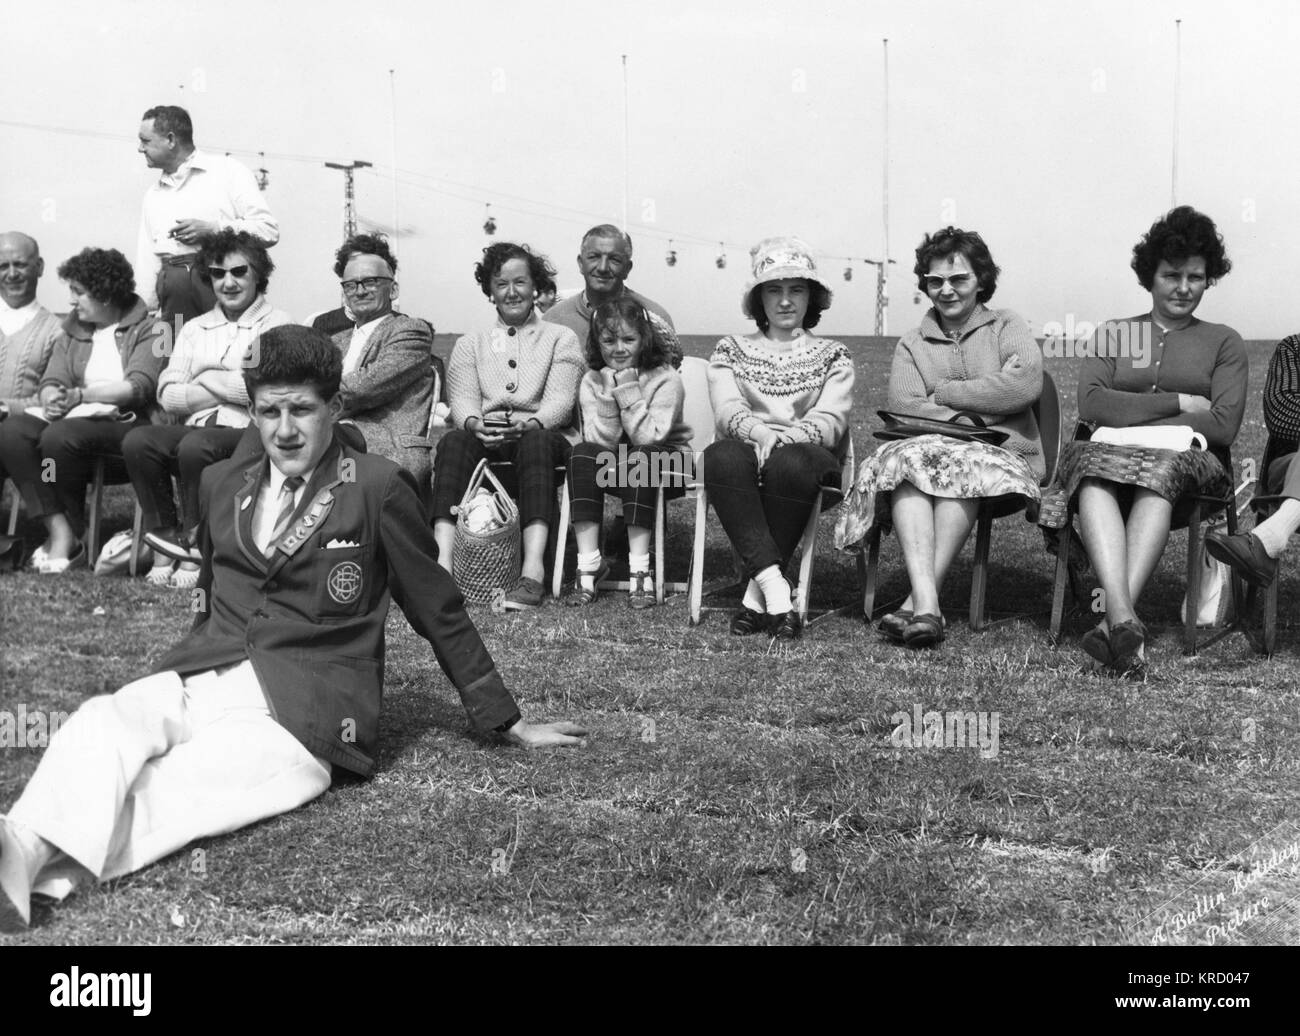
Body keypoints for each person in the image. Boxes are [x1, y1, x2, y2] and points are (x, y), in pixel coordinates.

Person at [0, 324, 587, 932]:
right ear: (251, 412)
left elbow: (437, 608)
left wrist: (506, 718)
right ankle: (18, 850)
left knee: (182, 784)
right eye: (268, 411)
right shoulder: (223, 484)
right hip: (208, 672)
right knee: (106, 719)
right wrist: (177, 678)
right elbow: (212, 596)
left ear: (334, 407)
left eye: (302, 410)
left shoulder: (379, 487)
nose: (284, 430)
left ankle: (29, 860)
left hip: (303, 714)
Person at [1040, 205, 1246, 671]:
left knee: (1157, 474)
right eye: (1172, 275)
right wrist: (1180, 403)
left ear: (1208, 278)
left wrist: (1132, 420)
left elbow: (1223, 425)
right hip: (1107, 461)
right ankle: (1123, 621)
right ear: (1149, 276)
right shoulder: (1115, 333)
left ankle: (1113, 618)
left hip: (1191, 469)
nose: (1184, 287)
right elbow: (1092, 404)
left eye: (1196, 276)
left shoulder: (1224, 342)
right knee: (1092, 475)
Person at [835, 227, 1044, 648]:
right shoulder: (912, 343)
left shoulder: (1008, 325)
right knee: (908, 466)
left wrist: (945, 396)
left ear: (981, 280)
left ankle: (917, 601)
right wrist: (982, 405)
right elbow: (905, 404)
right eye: (935, 281)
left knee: (960, 464)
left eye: (959, 279)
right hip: (929, 452)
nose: (946, 290)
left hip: (1001, 454)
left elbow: (1023, 385)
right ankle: (928, 606)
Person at [702, 236, 854, 641]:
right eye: (774, 290)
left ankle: (755, 596)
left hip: (809, 460)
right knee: (721, 455)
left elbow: (832, 416)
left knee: (791, 462)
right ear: (758, 299)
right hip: (747, 455)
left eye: (797, 290)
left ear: (812, 298)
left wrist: (789, 438)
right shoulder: (730, 350)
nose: (785, 301)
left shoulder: (833, 354)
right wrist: (759, 431)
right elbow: (726, 406)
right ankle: (774, 592)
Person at [125, 230, 291, 588]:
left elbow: (261, 393)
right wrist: (226, 382)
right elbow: (168, 393)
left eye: (238, 271)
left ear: (258, 274)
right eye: (218, 274)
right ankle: (165, 540)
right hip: (197, 426)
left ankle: (195, 547)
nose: (228, 282)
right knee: (139, 440)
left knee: (194, 446)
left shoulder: (279, 324)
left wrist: (204, 376)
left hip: (248, 433)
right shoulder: (194, 329)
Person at [433, 242, 584, 609]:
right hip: (487, 433)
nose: (512, 292)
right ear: (490, 292)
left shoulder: (560, 338)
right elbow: (464, 397)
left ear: (536, 288)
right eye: (501, 284)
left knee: (537, 444)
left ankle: (532, 573)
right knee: (453, 443)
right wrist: (472, 423)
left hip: (542, 435)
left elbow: (561, 402)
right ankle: (442, 569)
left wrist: (533, 423)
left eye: (521, 282)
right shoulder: (471, 343)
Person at [0, 248, 166, 573]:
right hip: (71, 419)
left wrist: (80, 395)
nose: (73, 302)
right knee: (10, 432)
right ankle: (59, 529)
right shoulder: (73, 330)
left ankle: (72, 534)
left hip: (126, 425)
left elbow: (138, 387)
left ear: (105, 293)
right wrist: (51, 396)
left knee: (58, 436)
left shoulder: (152, 329)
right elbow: (53, 378)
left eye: (79, 293)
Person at [564, 298, 692, 608]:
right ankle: (589, 564)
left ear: (644, 340)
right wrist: (609, 395)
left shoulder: (666, 378)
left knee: (641, 456)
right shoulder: (593, 380)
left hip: (668, 463)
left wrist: (628, 390)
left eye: (628, 339)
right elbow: (598, 441)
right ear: (597, 342)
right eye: (609, 340)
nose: (618, 348)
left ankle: (640, 570)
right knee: (581, 452)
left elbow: (649, 436)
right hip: (615, 462)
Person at [135, 105, 278, 327]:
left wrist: (213, 230)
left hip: (223, 286)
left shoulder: (228, 171)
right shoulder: (153, 195)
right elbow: (147, 260)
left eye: (145, 141)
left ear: (171, 140)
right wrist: (145, 313)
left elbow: (268, 230)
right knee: (172, 356)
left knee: (230, 354)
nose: (139, 149)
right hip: (173, 302)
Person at [326, 234, 435, 493]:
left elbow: (364, 387)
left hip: (385, 448)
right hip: (336, 440)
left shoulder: (410, 331)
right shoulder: (334, 342)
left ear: (393, 289)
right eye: (351, 285)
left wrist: (306, 399)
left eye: (371, 282)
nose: (360, 290)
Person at [1206, 333, 1300, 587]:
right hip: (1291, 469)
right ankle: (1273, 535)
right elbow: (1283, 416)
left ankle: (1268, 540)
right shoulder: (1294, 348)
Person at [543, 224, 681, 368]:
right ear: (581, 264)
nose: (602, 267)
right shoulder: (553, 321)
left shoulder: (654, 319)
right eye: (593, 257)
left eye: (614, 259)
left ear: (627, 268)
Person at [0, 233, 62, 424]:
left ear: (40, 267)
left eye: (20, 264)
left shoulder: (57, 330)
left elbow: (53, 398)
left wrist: (5, 409)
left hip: (17, 431)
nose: (11, 274)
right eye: (3, 266)